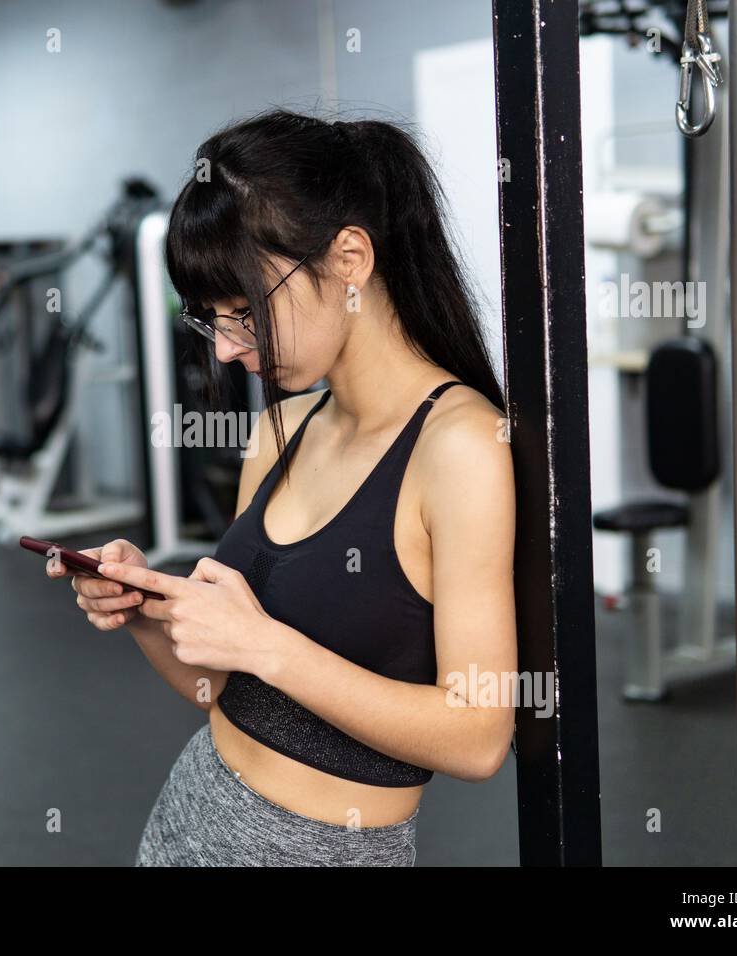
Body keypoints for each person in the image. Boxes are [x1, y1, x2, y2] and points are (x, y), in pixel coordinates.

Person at [46, 108, 517, 866]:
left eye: (247, 313)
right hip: (189, 820)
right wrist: (144, 610)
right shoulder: (277, 434)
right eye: (214, 322)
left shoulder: (460, 446)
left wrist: (266, 644)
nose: (230, 350)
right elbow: (226, 691)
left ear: (350, 259)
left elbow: (479, 736)